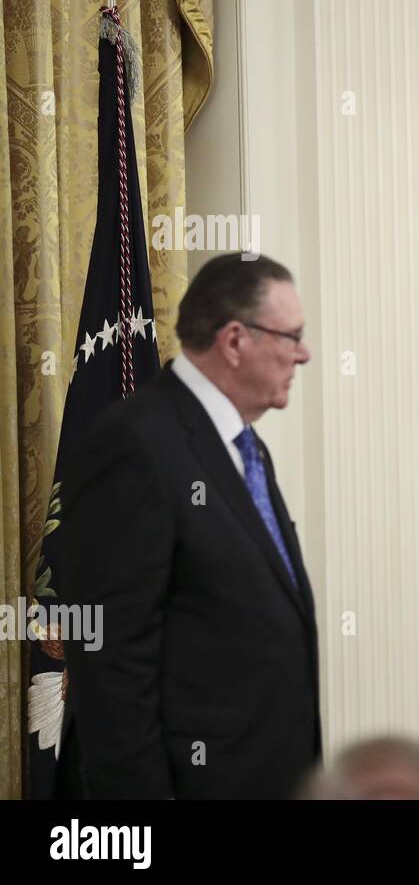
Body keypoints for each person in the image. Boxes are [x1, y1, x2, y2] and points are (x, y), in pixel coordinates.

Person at [61, 253, 317, 798]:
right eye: (291, 336)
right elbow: (111, 660)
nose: (305, 354)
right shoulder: (134, 444)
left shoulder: (247, 450)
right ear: (234, 340)